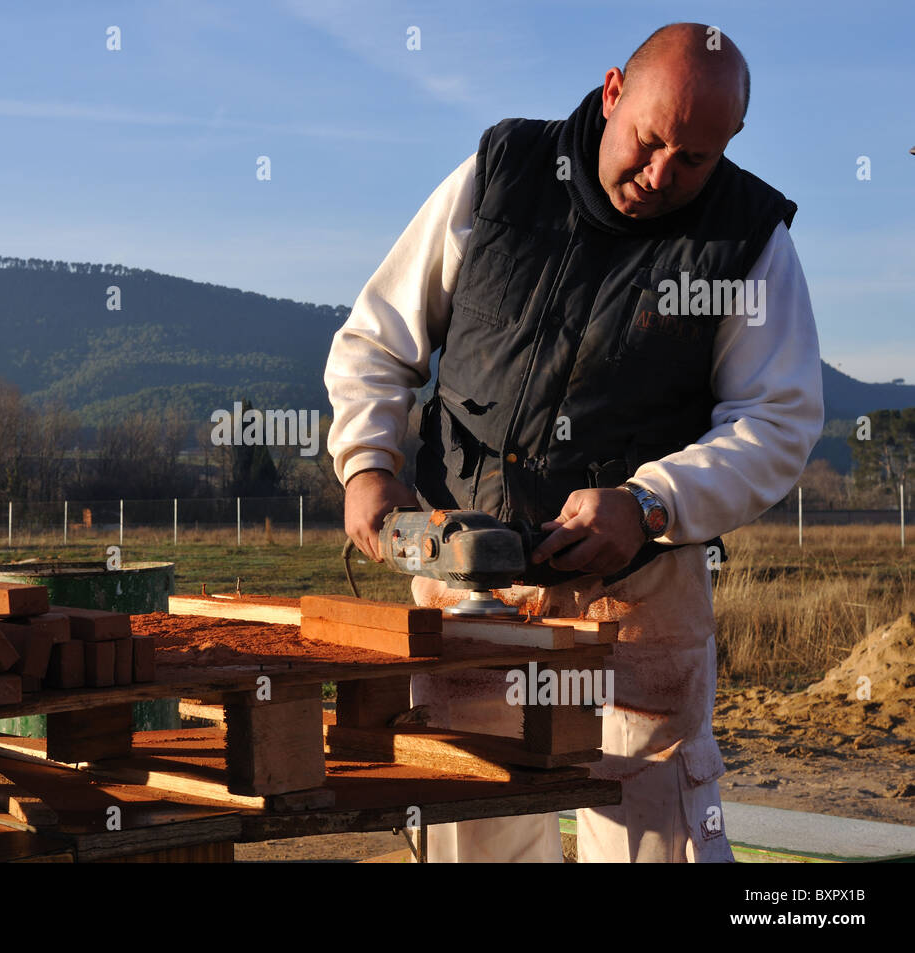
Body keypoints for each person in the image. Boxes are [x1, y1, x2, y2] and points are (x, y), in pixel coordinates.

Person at [324, 22, 824, 862]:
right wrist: (368, 462)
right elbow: (378, 340)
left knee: (658, 835)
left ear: (730, 144)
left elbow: (776, 421)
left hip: (640, 594)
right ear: (612, 92)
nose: (662, 174)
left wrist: (651, 501)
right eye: (650, 140)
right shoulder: (503, 176)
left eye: (695, 159)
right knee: (468, 824)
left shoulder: (751, 240)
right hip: (466, 581)